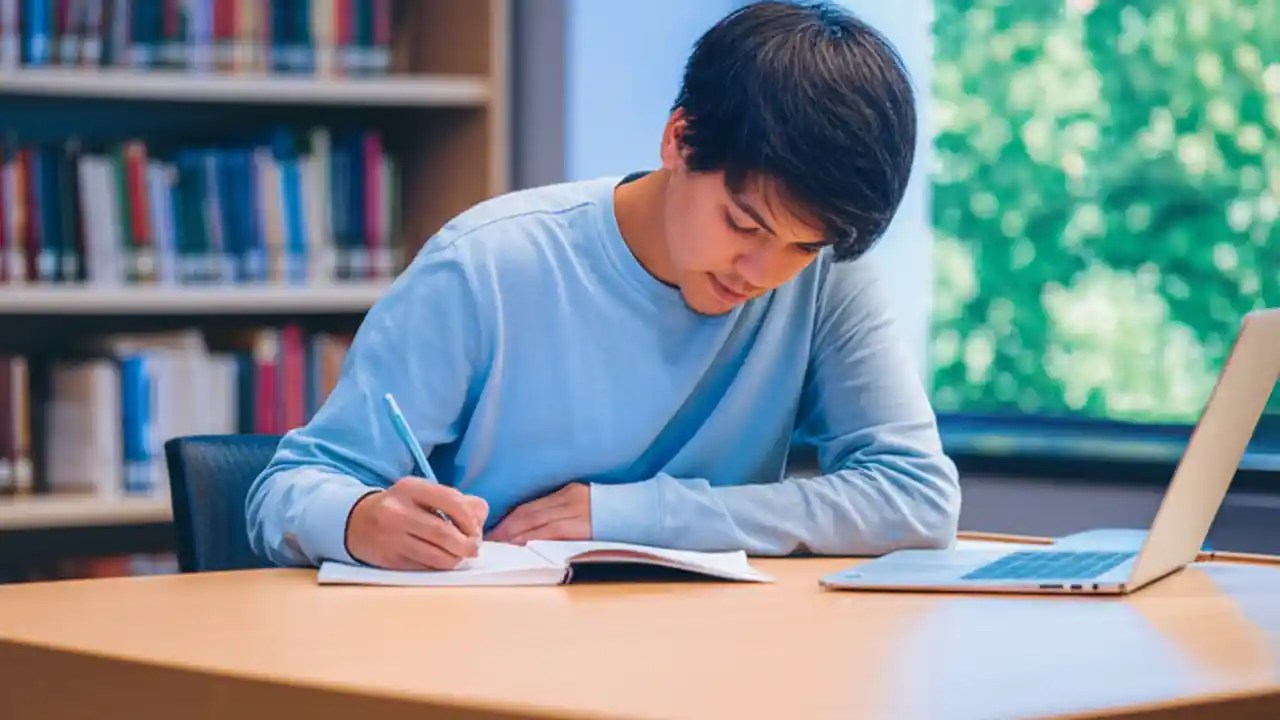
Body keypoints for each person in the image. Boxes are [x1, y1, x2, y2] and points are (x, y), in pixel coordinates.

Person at [245, 0, 961, 570]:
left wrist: (632, 514)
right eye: (743, 224)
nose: (763, 272)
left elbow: (916, 499)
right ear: (679, 139)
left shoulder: (825, 270)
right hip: (483, 659)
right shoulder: (487, 265)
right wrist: (362, 520)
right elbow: (286, 489)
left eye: (800, 247)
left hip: (716, 665)